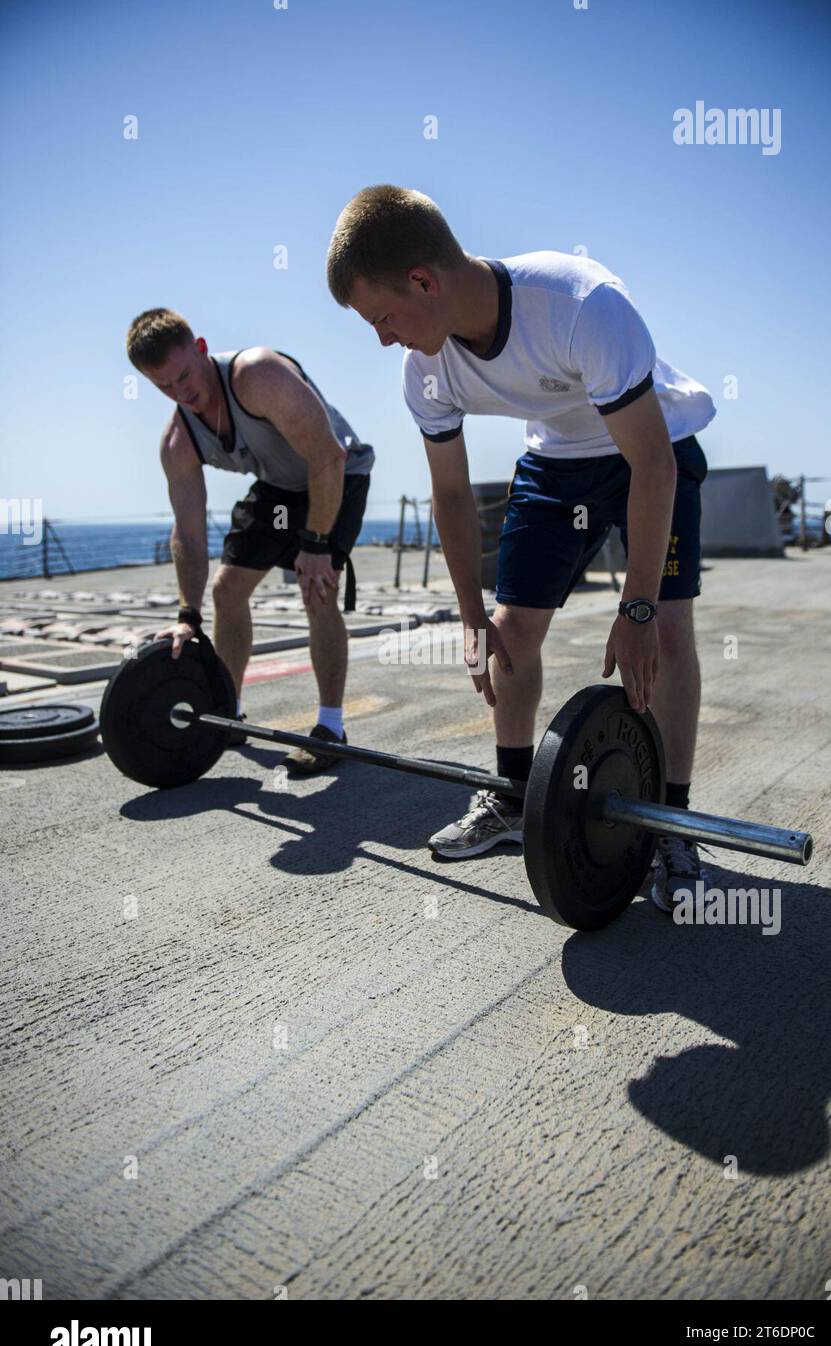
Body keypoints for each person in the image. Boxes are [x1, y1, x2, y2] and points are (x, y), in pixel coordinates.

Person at [326, 186, 715, 911]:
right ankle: (510, 797)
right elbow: (448, 495)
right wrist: (471, 614)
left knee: (664, 627)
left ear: (423, 281)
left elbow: (652, 466)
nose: (382, 338)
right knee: (509, 633)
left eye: (382, 317)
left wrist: (632, 609)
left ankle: (672, 823)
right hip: (557, 462)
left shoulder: (577, 303)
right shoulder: (426, 370)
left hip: (651, 449)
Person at [125, 308, 374, 770]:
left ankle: (330, 728)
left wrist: (317, 546)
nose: (182, 393)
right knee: (226, 589)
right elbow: (190, 532)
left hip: (337, 473)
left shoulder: (257, 375)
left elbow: (327, 454)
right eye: (165, 387)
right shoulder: (178, 441)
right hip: (279, 492)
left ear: (201, 349)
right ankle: (229, 713)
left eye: (184, 376)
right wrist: (187, 615)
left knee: (317, 589)